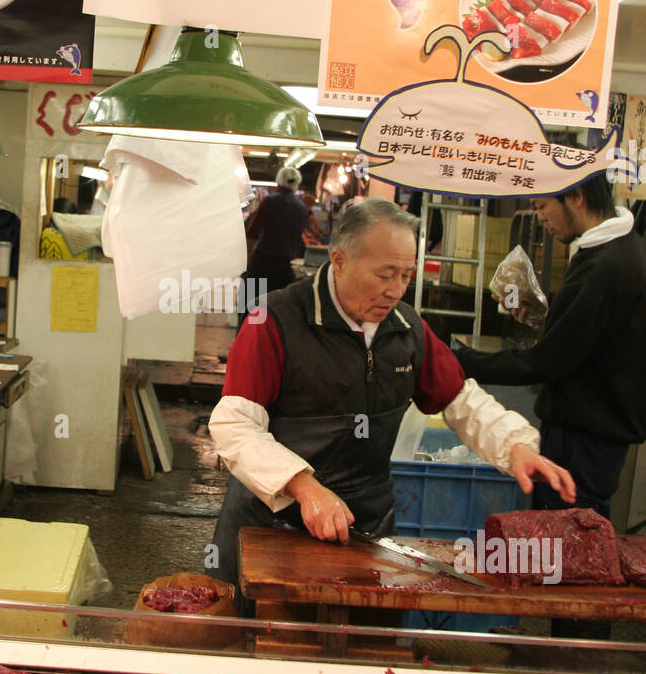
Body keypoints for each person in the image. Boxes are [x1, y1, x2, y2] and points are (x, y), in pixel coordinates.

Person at [209, 198, 575, 601]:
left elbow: (461, 400)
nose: (396, 290)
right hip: (270, 524)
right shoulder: (275, 320)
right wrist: (303, 486)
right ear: (340, 260)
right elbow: (234, 425)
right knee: (260, 645)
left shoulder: (406, 328)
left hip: (363, 528)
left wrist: (516, 446)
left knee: (363, 644)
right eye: (385, 274)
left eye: (406, 275)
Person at [455, 175, 646, 518]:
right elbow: (593, 339)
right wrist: (543, 319)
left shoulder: (607, 266)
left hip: (585, 442)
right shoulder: (610, 250)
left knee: (567, 544)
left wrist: (459, 360)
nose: (541, 217)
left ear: (575, 195)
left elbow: (544, 363)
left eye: (543, 206)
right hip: (584, 434)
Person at [238, 165, 308, 326]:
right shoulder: (301, 208)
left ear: (278, 180)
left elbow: (252, 232)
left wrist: (248, 260)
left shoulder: (269, 201)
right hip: (283, 268)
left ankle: (244, 342)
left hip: (262, 264)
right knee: (274, 313)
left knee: (249, 309)